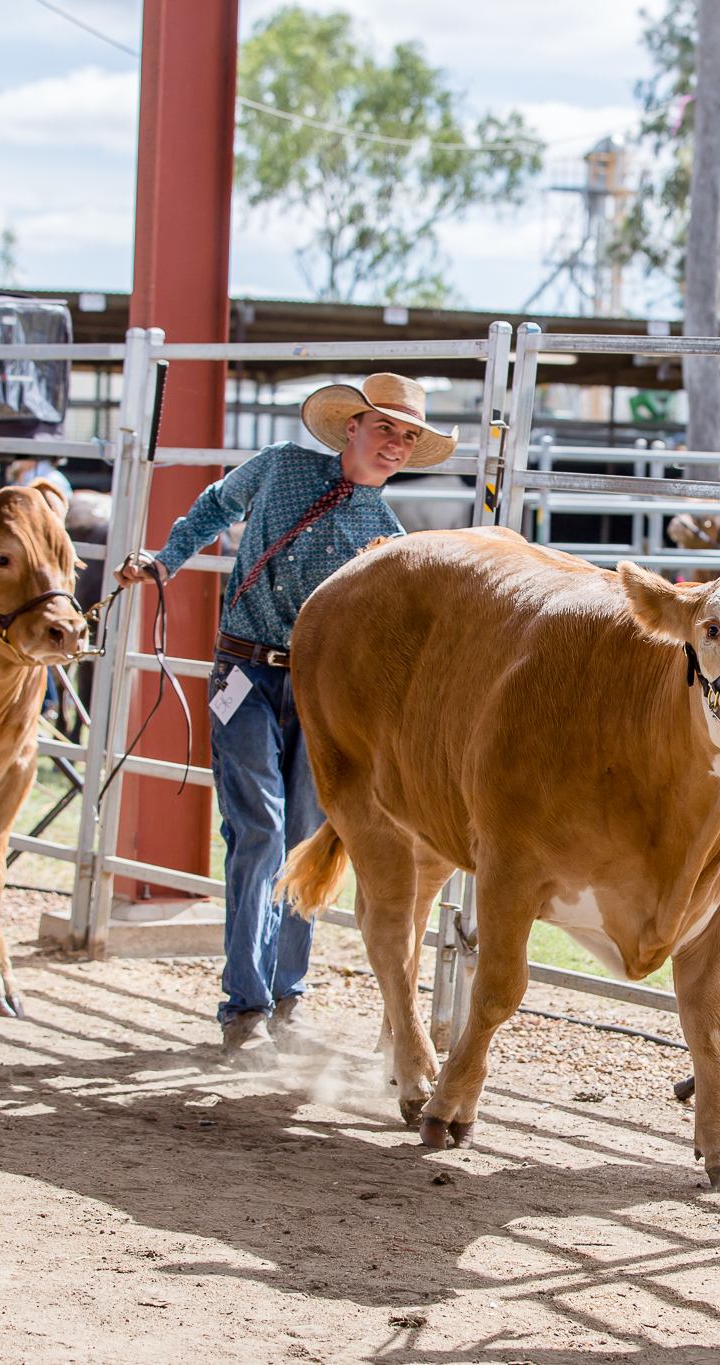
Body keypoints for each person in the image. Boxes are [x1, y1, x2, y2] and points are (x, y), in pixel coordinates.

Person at [115, 375, 457, 1067]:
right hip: (243, 670)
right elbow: (216, 506)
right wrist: (165, 561)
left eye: (407, 436)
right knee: (261, 830)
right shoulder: (281, 467)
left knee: (303, 837)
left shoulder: (389, 541)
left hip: (323, 694)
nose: (395, 444)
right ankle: (246, 1005)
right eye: (385, 428)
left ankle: (286, 998)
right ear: (351, 427)